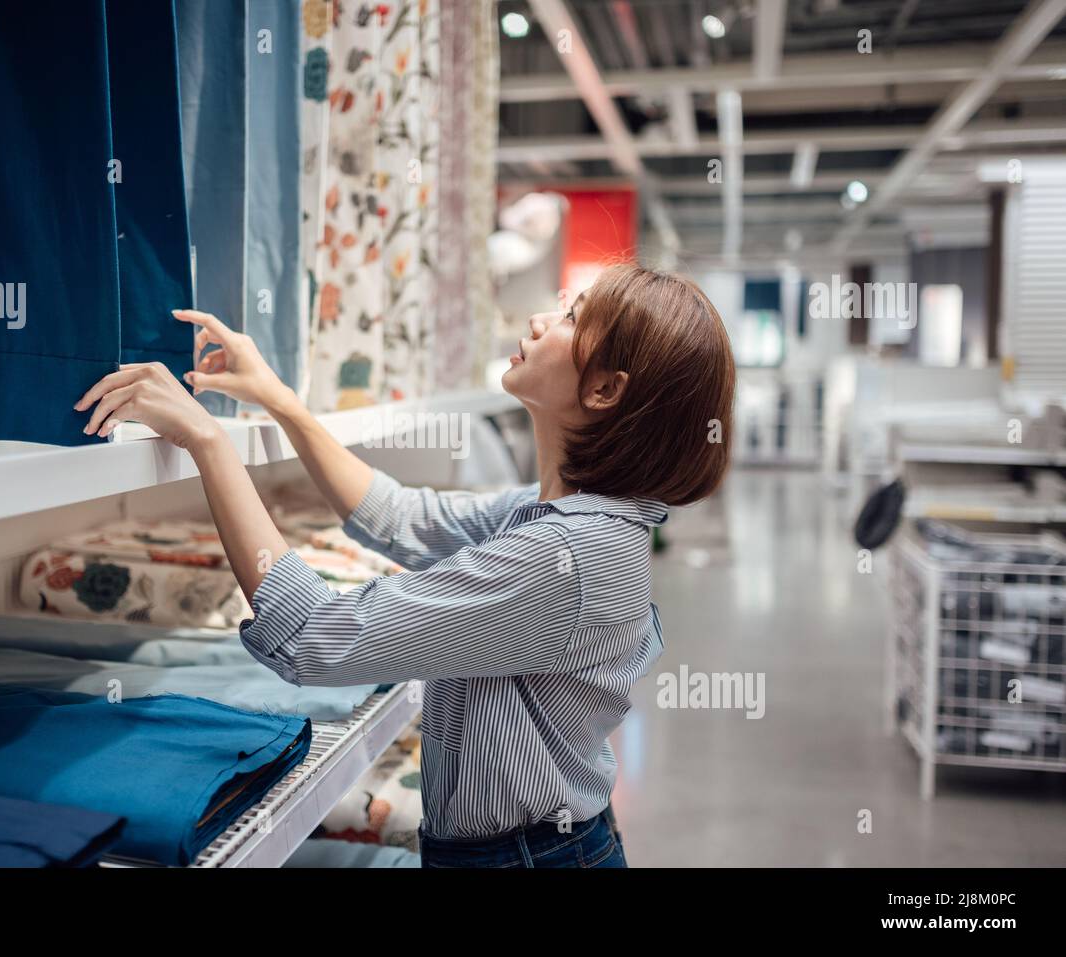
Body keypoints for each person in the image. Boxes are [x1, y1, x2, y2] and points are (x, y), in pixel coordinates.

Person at [75, 262, 736, 868]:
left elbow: (316, 635)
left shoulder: (567, 554)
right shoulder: (564, 519)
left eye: (570, 318)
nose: (538, 320)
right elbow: (407, 518)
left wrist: (208, 441)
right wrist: (280, 400)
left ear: (603, 388)